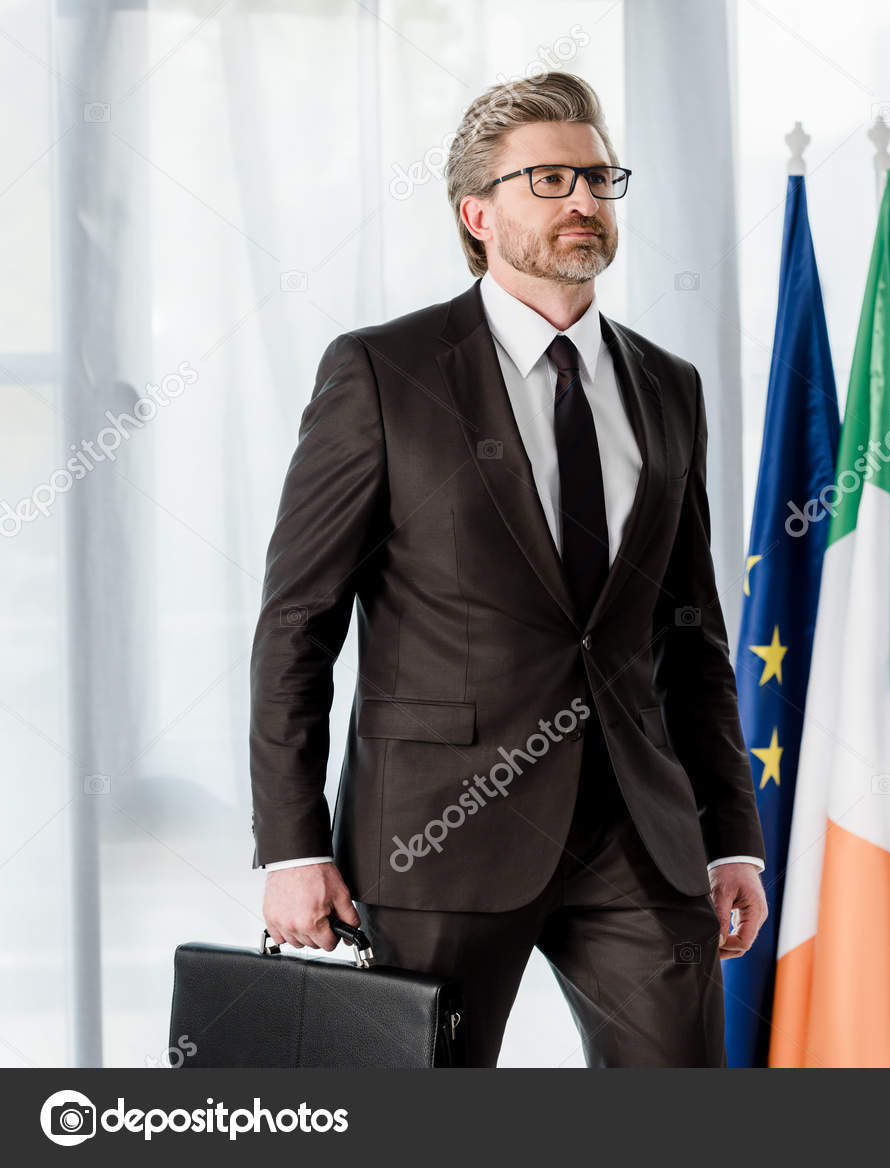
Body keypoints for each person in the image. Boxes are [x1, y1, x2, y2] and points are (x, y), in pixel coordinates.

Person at [248, 71, 766, 1067]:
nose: (584, 200)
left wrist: (729, 832)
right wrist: (291, 844)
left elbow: (691, 630)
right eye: (550, 179)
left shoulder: (668, 386)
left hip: (637, 836)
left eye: (598, 177)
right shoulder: (382, 374)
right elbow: (296, 620)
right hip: (436, 835)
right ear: (476, 212)